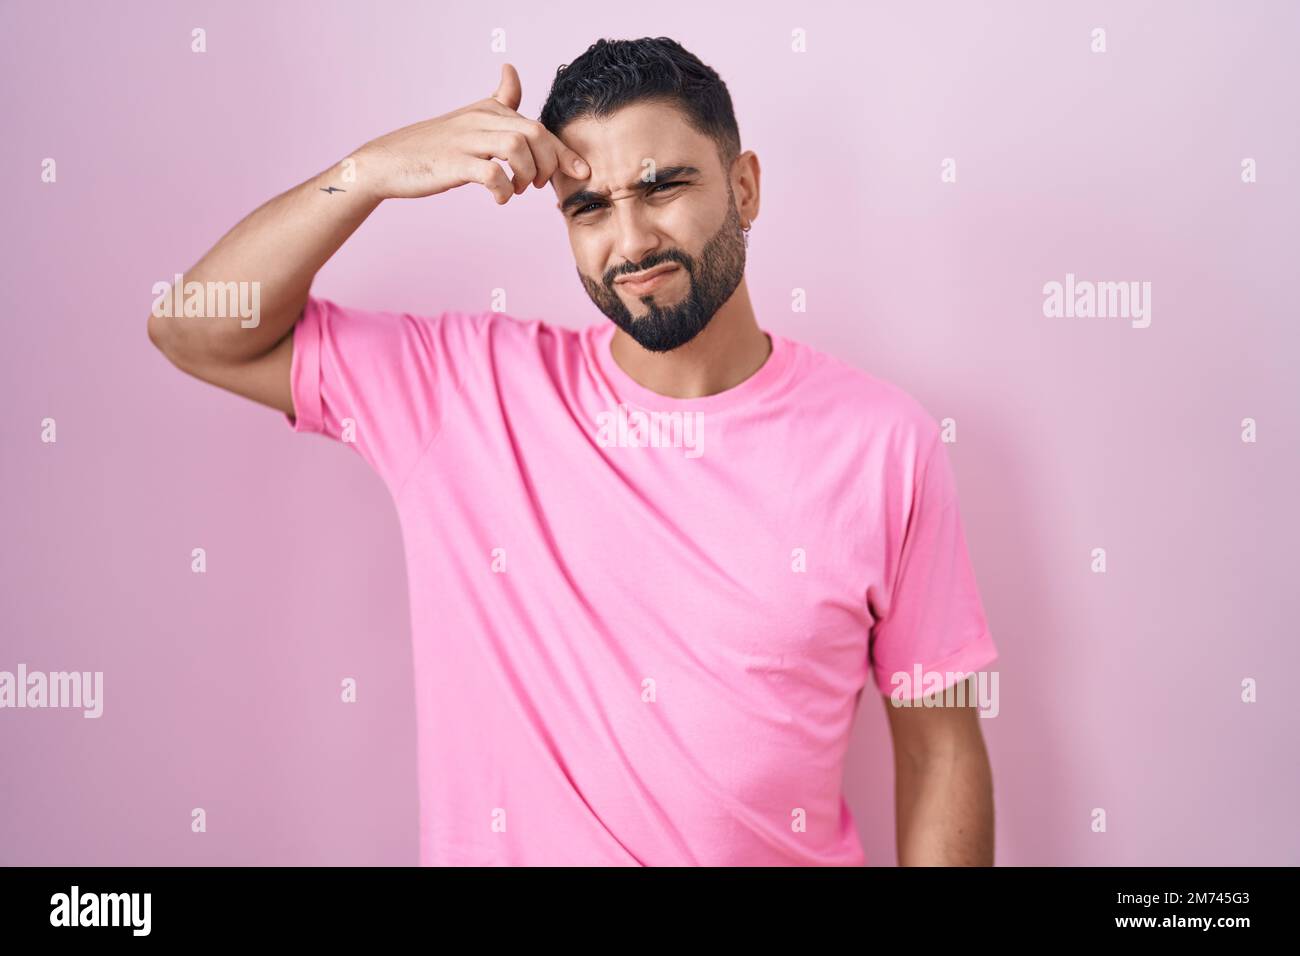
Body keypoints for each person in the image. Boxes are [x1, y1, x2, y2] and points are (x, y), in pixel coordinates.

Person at [147, 37, 999, 866]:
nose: (629, 244)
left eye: (662, 188)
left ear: (743, 189)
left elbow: (941, 751)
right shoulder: (463, 391)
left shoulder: (885, 442)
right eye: (588, 207)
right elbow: (195, 331)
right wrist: (366, 174)